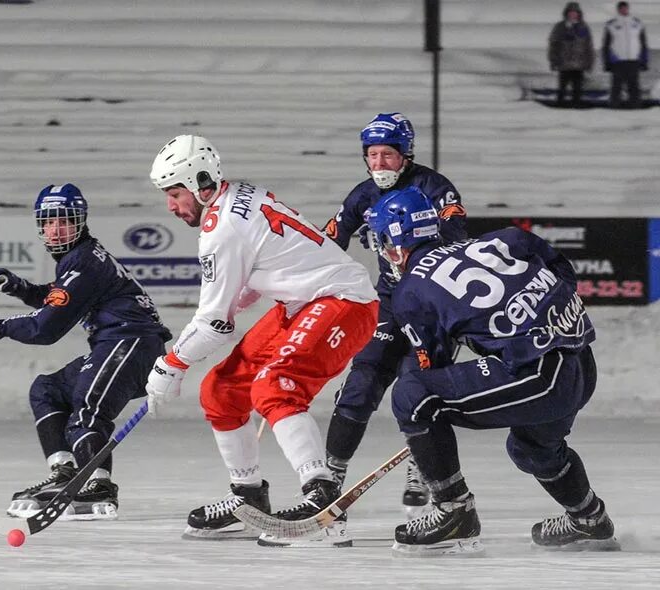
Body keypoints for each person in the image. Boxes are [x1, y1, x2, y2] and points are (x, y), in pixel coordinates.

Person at [146, 135, 378, 547]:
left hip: (342, 300)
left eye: (175, 193)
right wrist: (240, 294)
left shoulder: (221, 229)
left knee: (275, 386)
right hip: (302, 302)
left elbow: (215, 324)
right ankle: (248, 498)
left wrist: (171, 364)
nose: (170, 205)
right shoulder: (238, 192)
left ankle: (322, 503)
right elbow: (271, 257)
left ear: (201, 184)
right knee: (221, 390)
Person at [365, 187, 619, 555]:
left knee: (411, 395)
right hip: (580, 359)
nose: (384, 251)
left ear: (398, 240)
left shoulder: (410, 290)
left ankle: (454, 512)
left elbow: (431, 370)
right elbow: (550, 259)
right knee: (531, 449)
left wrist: (423, 433)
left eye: (384, 242)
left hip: (541, 377)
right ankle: (590, 519)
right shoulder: (498, 240)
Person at [0, 183, 171, 520]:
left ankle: (98, 487)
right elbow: (60, 298)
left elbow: (46, 327)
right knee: (47, 390)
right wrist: (22, 289)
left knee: (87, 409)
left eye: (63, 221)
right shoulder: (78, 260)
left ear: (80, 221)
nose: (55, 230)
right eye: (48, 222)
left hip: (130, 345)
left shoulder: (83, 264)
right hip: (118, 346)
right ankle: (66, 473)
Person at [321, 112, 467, 521]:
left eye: (388, 154)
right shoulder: (362, 193)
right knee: (360, 384)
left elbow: (458, 240)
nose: (380, 163)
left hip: (430, 308)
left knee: (418, 393)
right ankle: (328, 481)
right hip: (388, 305)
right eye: (373, 155)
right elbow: (329, 240)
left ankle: (427, 473)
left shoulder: (436, 187)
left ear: (406, 155)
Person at [603, 1, 650, 109]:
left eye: (625, 8)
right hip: (618, 61)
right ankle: (614, 107)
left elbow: (643, 43)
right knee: (616, 87)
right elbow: (606, 45)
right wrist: (607, 62)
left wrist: (644, 60)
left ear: (628, 9)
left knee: (634, 86)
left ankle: (635, 106)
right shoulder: (611, 24)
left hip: (634, 60)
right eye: (621, 8)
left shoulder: (638, 23)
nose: (623, 10)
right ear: (618, 9)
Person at [548, 2, 595, 108]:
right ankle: (559, 107)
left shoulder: (584, 27)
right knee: (562, 89)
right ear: (567, 13)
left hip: (579, 64)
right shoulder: (560, 26)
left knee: (577, 89)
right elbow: (553, 44)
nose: (573, 14)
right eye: (571, 12)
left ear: (579, 13)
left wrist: (589, 62)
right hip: (564, 64)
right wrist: (553, 60)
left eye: (575, 12)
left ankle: (576, 107)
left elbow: (589, 46)